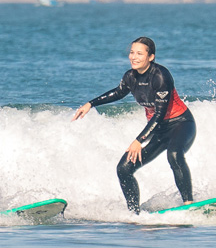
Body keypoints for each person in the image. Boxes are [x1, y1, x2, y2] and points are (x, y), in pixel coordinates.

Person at [72, 36, 195, 213]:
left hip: (181, 124)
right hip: (158, 131)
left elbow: (159, 114)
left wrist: (139, 140)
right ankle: (134, 213)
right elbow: (118, 92)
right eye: (131, 53)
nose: (133, 57)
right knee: (124, 168)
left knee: (174, 155)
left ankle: (189, 204)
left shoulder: (161, 76)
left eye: (139, 53)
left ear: (150, 57)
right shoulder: (130, 77)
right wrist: (91, 104)